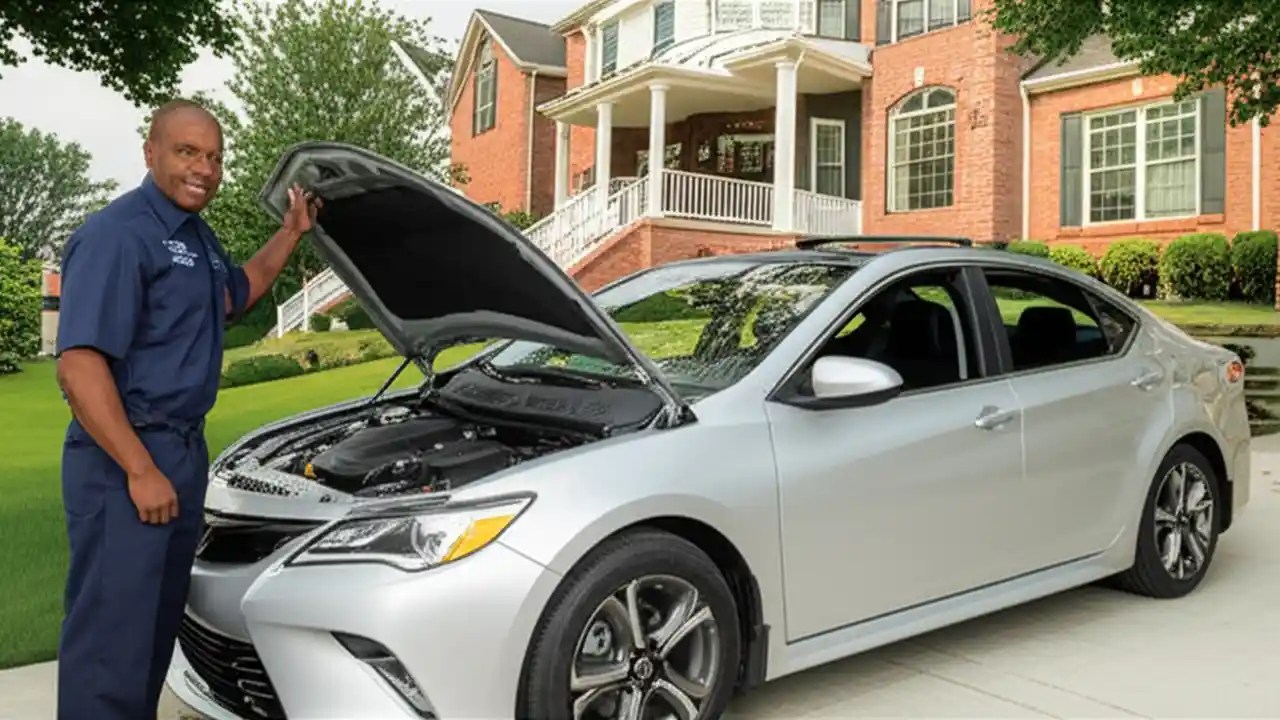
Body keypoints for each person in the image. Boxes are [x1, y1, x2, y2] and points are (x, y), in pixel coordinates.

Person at [53, 98, 318, 719]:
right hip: (124, 459)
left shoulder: (196, 238)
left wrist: (290, 232)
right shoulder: (118, 235)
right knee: (110, 644)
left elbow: (236, 294)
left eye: (215, 158)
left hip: (180, 454)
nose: (204, 168)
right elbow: (79, 366)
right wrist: (139, 468)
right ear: (150, 152)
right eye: (188, 152)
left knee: (150, 635)